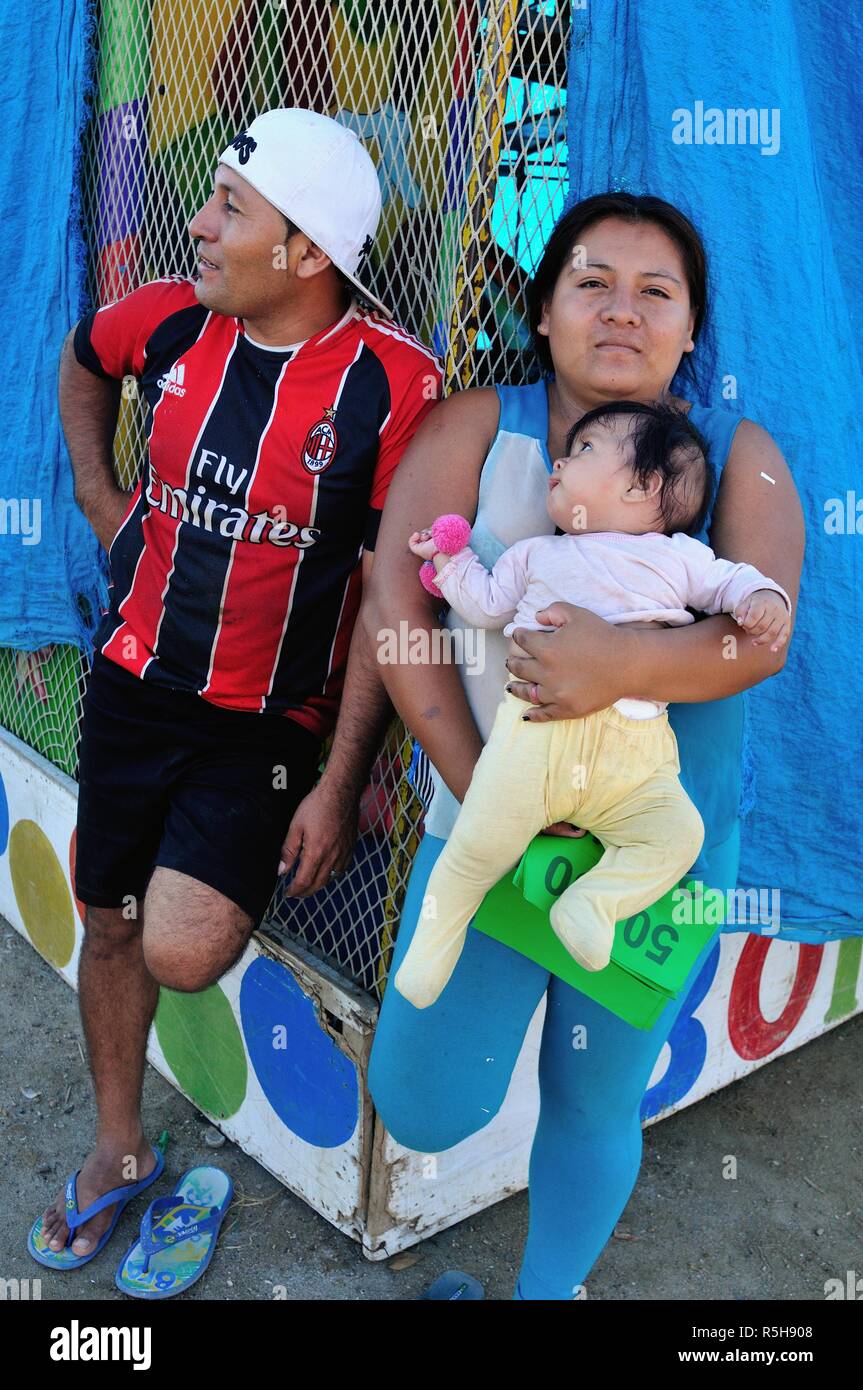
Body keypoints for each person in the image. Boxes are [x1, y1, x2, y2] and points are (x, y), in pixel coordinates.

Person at [362, 192, 804, 1299]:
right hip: (491, 810)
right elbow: (392, 601)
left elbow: (759, 639)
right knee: (421, 1096)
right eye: (590, 282)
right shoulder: (476, 426)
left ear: (690, 328)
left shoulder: (732, 457)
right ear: (545, 308)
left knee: (597, 1097)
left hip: (664, 846)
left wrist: (615, 663)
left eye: (655, 292)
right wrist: (482, 785)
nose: (622, 309)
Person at [31, 107, 443, 1266]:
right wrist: (101, 503)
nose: (201, 229)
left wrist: (340, 776)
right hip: (132, 678)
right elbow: (82, 359)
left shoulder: (390, 386)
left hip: (264, 720)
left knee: (178, 946)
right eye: (211, 199)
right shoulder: (166, 319)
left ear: (306, 254)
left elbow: (385, 597)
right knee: (106, 923)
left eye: (230, 210)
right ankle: (121, 1152)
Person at [393, 400, 792, 1002]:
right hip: (534, 738)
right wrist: (451, 561)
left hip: (636, 761)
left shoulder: (678, 558)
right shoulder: (535, 554)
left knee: (676, 836)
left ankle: (593, 905)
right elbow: (484, 605)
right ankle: (430, 950)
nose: (559, 459)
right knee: (476, 849)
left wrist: (764, 598)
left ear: (644, 485)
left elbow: (731, 581)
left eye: (583, 452)